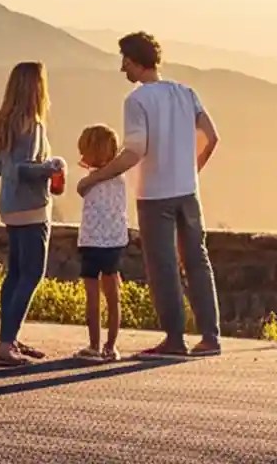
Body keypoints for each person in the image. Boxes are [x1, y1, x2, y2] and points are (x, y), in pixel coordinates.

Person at [76, 31, 222, 358]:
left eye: (125, 62)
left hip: (155, 194)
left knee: (163, 266)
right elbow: (212, 137)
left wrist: (94, 178)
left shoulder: (137, 100)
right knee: (197, 261)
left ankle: (175, 340)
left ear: (136, 61)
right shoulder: (186, 93)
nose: (122, 68)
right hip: (188, 191)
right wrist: (190, 169)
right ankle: (210, 337)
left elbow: (134, 151)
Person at [0, 61, 67, 366]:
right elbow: (26, 169)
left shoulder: (2, 123)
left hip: (10, 207)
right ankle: (7, 343)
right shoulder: (33, 124)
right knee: (32, 274)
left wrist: (18, 168)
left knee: (15, 275)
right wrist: (53, 167)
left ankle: (8, 336)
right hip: (33, 209)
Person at [73, 124, 129, 361]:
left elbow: (80, 189)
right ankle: (111, 346)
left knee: (93, 297)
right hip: (114, 243)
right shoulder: (119, 179)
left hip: (91, 243)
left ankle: (94, 345)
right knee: (113, 296)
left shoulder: (90, 181)